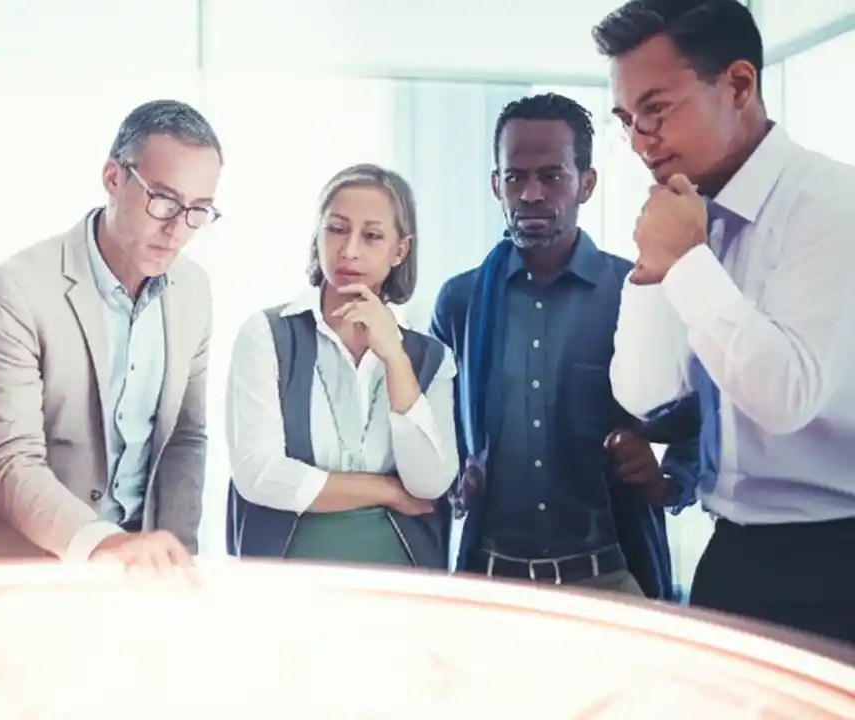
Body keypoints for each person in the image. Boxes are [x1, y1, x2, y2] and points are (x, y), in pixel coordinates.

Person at [596, 0, 855, 640]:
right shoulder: (687, 211)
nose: (638, 140)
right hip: (731, 554)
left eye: (656, 109)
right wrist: (658, 267)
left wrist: (684, 263)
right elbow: (644, 393)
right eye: (627, 120)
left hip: (833, 559)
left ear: (739, 84)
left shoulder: (833, 206)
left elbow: (785, 398)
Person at [431, 93, 699, 598]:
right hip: (490, 580)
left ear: (586, 184)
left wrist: (665, 481)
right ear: (496, 185)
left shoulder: (638, 292)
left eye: (551, 176)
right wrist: (455, 478)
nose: (530, 193)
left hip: (613, 576)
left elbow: (702, 418)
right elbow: (435, 431)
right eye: (515, 177)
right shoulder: (461, 301)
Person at [0, 100, 220, 569]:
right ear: (113, 178)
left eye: (198, 210)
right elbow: (10, 459)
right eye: (163, 200)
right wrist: (104, 544)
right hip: (28, 564)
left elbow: (185, 439)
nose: (177, 230)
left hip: (141, 568)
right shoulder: (15, 290)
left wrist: (180, 557)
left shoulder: (194, 291)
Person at [226, 164, 456, 567]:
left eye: (371, 236)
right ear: (317, 236)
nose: (349, 250)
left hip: (404, 585)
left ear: (399, 250)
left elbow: (429, 483)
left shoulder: (431, 357)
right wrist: (386, 490)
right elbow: (259, 475)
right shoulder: (266, 335)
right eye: (336, 229)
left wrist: (395, 356)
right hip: (287, 580)